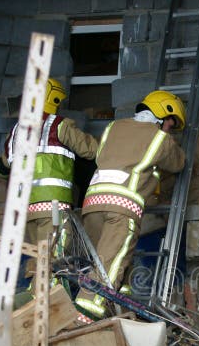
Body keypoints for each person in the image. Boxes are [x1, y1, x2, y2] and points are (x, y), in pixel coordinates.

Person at [74, 90, 186, 323]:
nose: (170, 129)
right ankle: (85, 316)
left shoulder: (112, 128)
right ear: (162, 115)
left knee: (109, 261)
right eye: (170, 123)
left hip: (91, 205)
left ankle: (119, 312)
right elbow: (178, 163)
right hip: (121, 208)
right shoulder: (160, 138)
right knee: (109, 265)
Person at [0, 78, 99, 250]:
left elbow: (1, 170)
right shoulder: (59, 125)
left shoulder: (14, 133)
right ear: (53, 99)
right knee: (55, 258)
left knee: (38, 257)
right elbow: (91, 150)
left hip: (25, 211)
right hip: (53, 207)